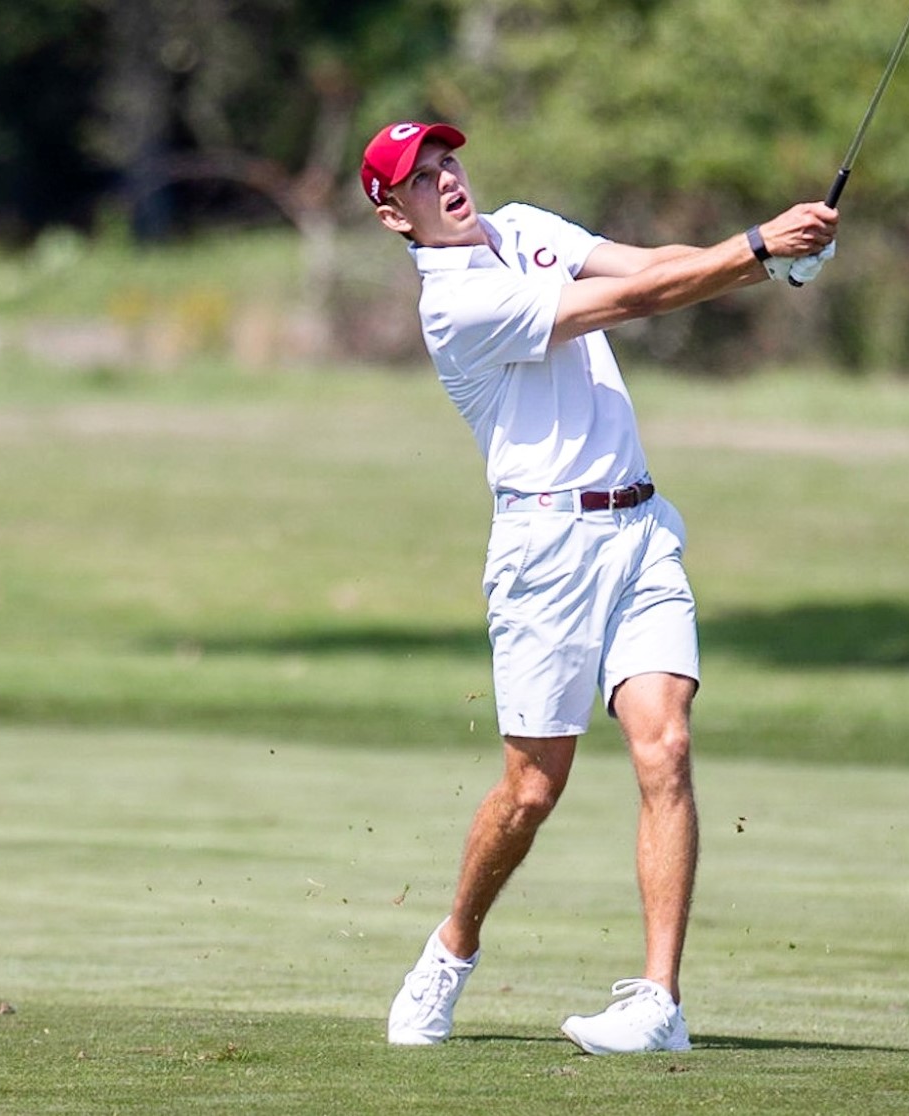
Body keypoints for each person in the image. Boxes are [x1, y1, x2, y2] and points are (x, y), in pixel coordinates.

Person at [364, 120, 837, 1055]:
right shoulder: (454, 307)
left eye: (447, 161)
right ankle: (451, 950)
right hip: (545, 549)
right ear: (393, 213)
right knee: (532, 790)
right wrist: (754, 248)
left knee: (663, 750)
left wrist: (774, 260)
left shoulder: (523, 227)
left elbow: (651, 261)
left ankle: (659, 1004)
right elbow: (629, 302)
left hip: (642, 531)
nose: (446, 179)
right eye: (420, 179)